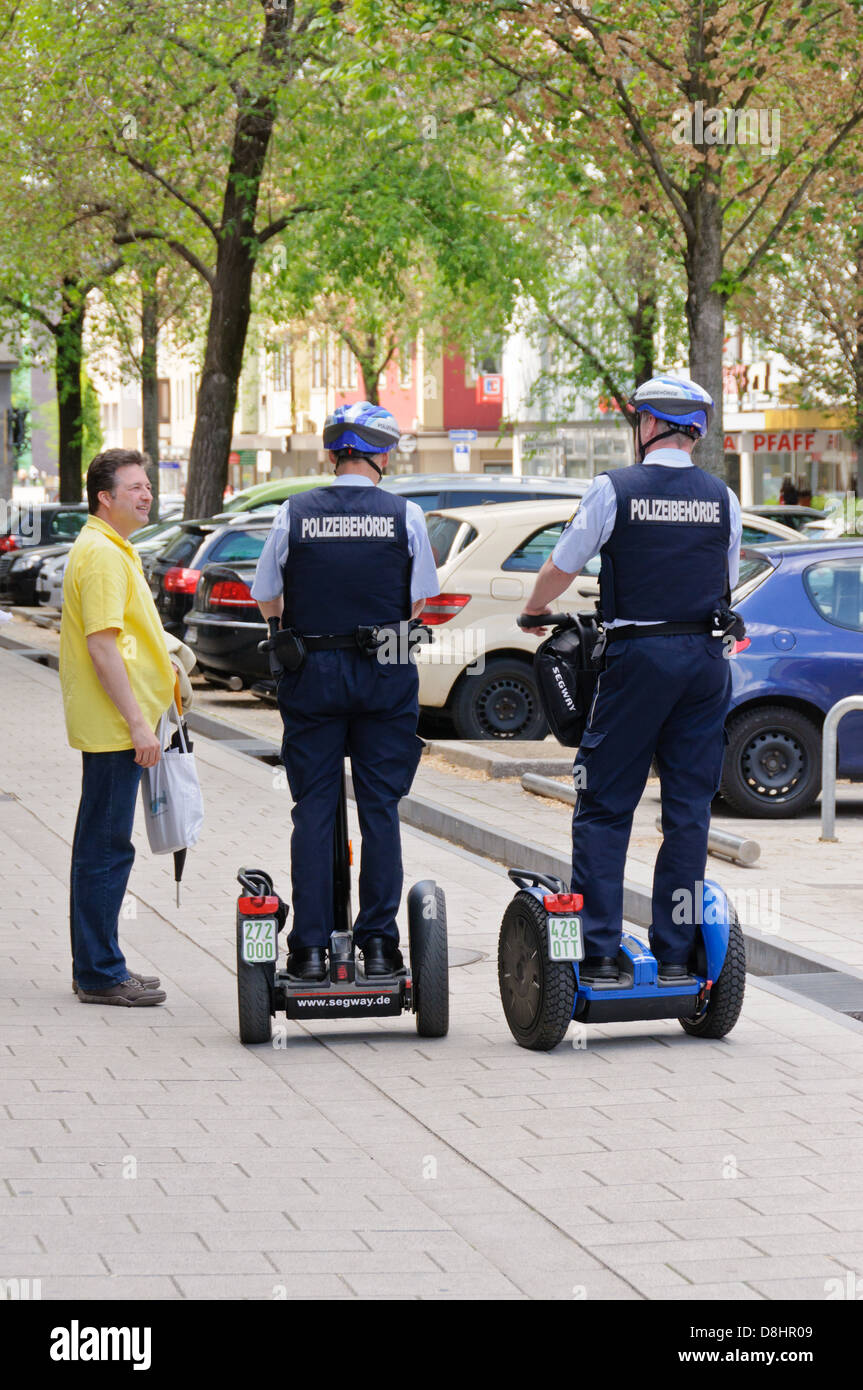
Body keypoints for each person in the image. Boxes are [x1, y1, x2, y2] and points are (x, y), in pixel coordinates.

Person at [521, 376, 742, 982]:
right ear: (694, 431)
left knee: (604, 805)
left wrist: (536, 610)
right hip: (703, 662)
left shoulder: (613, 489)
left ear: (648, 426)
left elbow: (563, 564)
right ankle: (675, 954)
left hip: (638, 660)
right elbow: (722, 579)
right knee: (688, 811)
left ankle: (596, 952)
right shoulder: (723, 498)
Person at [251, 402, 439, 982]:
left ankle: (308, 951)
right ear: (382, 455)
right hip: (385, 672)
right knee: (380, 809)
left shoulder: (295, 512)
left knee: (314, 809)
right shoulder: (404, 515)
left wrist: (297, 622)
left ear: (333, 455)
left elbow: (266, 593)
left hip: (312, 676)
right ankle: (380, 946)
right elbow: (420, 601)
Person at [60, 449, 189, 1006]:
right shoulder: (104, 556)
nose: (146, 495)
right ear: (104, 498)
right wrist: (139, 725)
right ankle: (100, 973)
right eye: (134, 487)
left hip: (116, 723)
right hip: (117, 727)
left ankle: (98, 964)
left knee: (102, 844)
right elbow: (102, 645)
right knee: (107, 850)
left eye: (148, 486)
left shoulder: (111, 548)